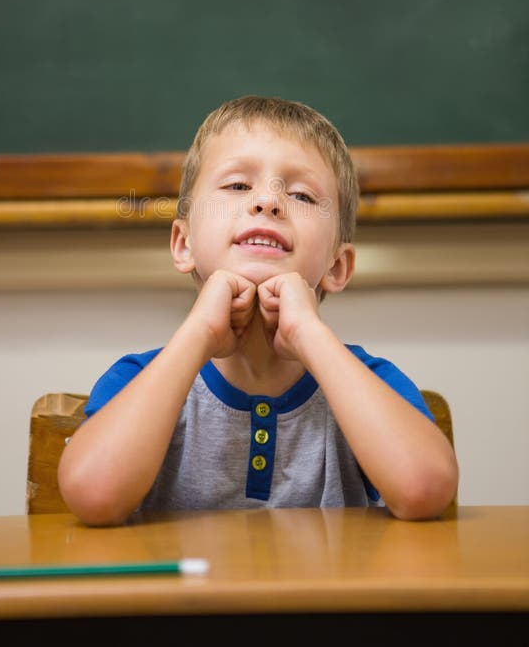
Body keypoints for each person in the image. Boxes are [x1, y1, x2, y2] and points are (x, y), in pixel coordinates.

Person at [58, 95, 458, 525]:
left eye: (303, 195)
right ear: (184, 243)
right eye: (237, 186)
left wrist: (311, 335)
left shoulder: (368, 384)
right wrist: (196, 333)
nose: (268, 202)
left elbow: (425, 489)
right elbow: (94, 494)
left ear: (337, 267)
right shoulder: (138, 380)